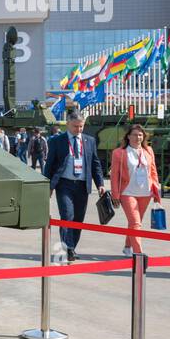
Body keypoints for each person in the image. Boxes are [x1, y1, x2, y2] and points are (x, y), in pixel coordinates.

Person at [43, 110, 107, 261]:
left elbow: (95, 164)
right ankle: (68, 248)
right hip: (64, 185)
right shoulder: (56, 141)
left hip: (83, 185)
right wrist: (48, 186)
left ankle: (72, 246)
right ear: (67, 124)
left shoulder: (89, 141)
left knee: (78, 219)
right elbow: (49, 165)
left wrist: (100, 184)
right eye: (75, 126)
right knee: (67, 216)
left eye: (81, 126)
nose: (78, 130)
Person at [109, 123, 161, 256]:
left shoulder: (148, 150)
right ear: (128, 136)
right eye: (134, 134)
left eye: (140, 134)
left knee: (134, 223)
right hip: (127, 192)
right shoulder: (119, 153)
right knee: (135, 222)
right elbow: (114, 176)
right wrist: (115, 195)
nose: (138, 137)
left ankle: (127, 246)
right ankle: (138, 253)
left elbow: (153, 171)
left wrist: (156, 189)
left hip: (146, 193)